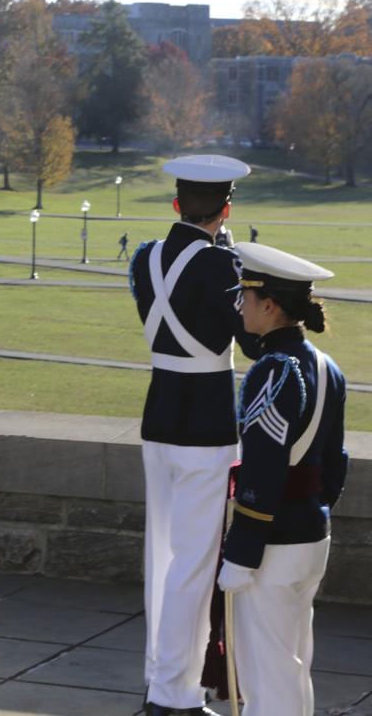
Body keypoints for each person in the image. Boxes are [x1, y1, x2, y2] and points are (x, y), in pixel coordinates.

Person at [129, 155, 262, 716]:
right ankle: (175, 694)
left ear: (177, 204)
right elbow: (254, 343)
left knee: (162, 558)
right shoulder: (222, 266)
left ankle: (161, 680)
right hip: (206, 425)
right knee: (194, 563)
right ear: (226, 208)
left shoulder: (144, 258)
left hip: (158, 416)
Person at [218, 243, 346, 716]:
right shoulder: (325, 366)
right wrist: (313, 509)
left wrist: (243, 549)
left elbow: (264, 467)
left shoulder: (273, 371)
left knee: (267, 671)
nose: (239, 306)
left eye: (245, 297)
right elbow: (335, 462)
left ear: (268, 306)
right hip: (312, 530)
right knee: (292, 663)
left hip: (274, 540)